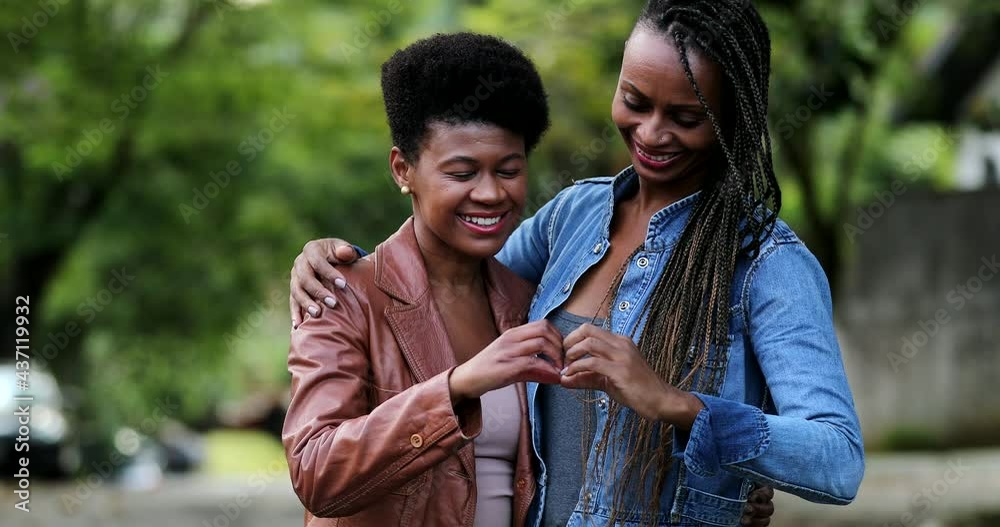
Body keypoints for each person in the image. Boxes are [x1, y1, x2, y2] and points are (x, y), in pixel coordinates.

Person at [294, 0, 850, 524]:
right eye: (635, 101)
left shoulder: (767, 263)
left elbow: (837, 459)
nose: (652, 133)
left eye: (686, 116)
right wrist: (341, 267)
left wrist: (677, 404)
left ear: (732, 117)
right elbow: (450, 280)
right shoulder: (576, 216)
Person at [282, 32, 565, 527]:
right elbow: (316, 471)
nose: (490, 193)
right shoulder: (343, 293)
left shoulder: (529, 300)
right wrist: (456, 388)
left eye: (509, 169)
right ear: (403, 169)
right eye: (461, 173)